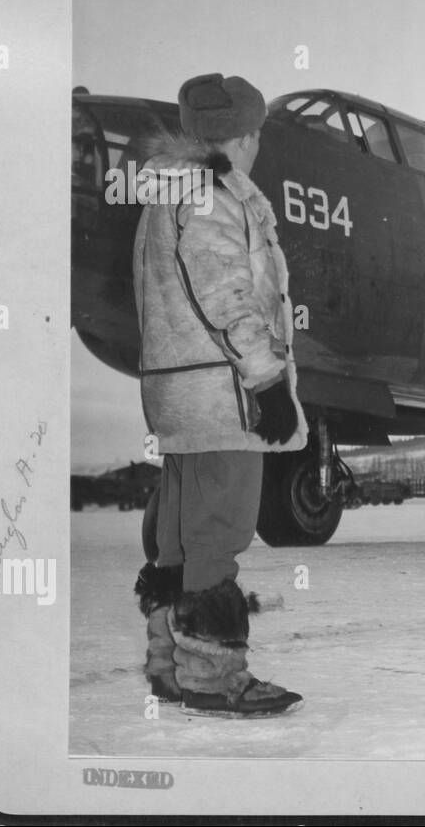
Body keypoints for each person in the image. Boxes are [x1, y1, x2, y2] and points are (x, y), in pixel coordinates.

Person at [132, 73, 308, 717]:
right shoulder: (212, 197)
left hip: (179, 394)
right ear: (243, 134)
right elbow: (226, 296)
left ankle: (170, 666)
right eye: (256, 133)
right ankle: (212, 677)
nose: (259, 145)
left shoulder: (169, 194)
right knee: (218, 532)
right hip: (222, 394)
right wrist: (267, 379)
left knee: (179, 537)